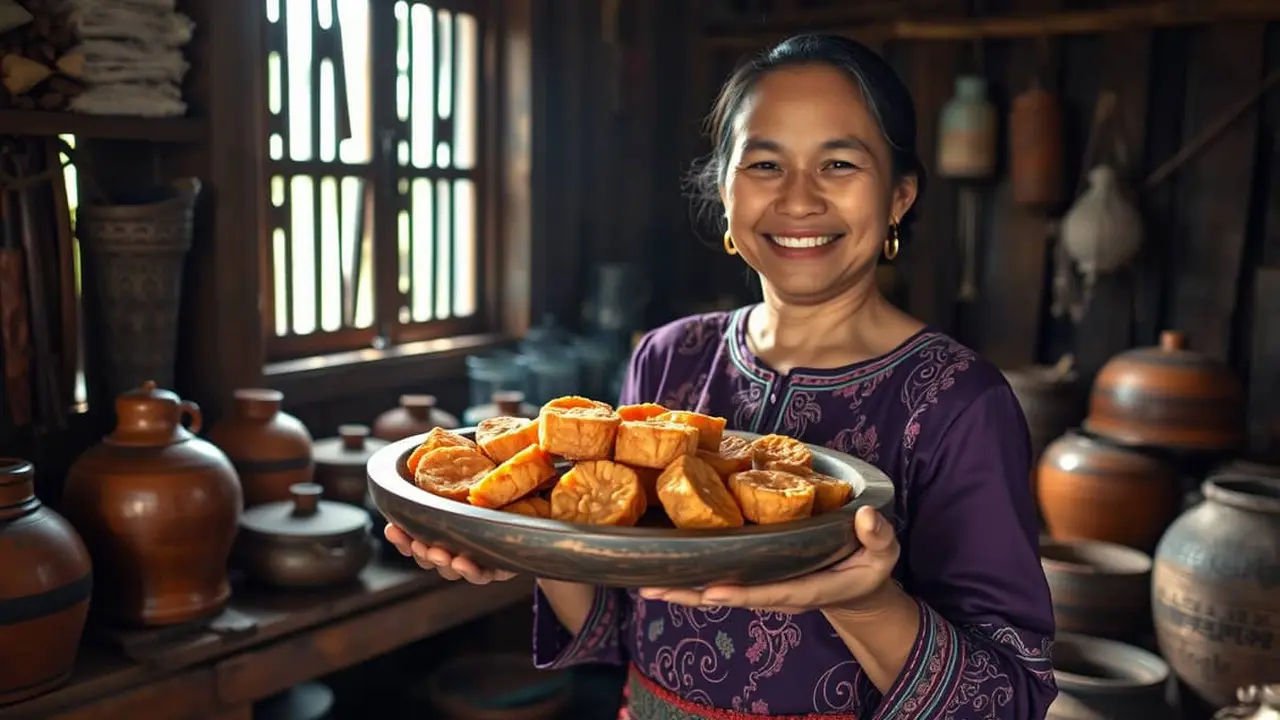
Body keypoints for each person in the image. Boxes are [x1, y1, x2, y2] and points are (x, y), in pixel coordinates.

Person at [385, 32, 1056, 719]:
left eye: (839, 164)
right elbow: (618, 624)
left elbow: (1009, 699)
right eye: (765, 164)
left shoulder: (958, 402)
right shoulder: (669, 359)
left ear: (898, 196)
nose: (798, 199)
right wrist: (520, 539)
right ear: (724, 190)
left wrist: (864, 601)